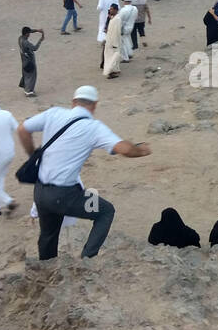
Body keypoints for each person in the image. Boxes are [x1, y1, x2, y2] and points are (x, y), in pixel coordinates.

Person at [17, 85, 150, 261]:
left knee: (49, 234)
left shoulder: (54, 113)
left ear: (73, 102)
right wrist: (142, 150)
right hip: (65, 195)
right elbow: (124, 149)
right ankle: (88, 257)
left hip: (40, 191)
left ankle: (46, 267)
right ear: (94, 105)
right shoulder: (93, 127)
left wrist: (32, 154)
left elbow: (22, 129)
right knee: (105, 211)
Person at [100, 4, 123, 77]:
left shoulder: (117, 19)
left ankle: (112, 71)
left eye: (112, 9)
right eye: (110, 9)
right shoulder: (113, 18)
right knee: (110, 57)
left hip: (113, 42)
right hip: (110, 42)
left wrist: (114, 43)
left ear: (116, 10)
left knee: (113, 57)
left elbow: (116, 32)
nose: (110, 10)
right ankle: (111, 71)